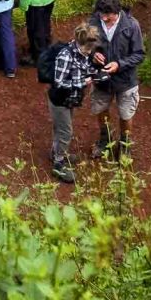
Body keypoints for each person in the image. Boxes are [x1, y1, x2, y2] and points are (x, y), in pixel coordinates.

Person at [86, 0, 145, 160]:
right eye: (101, 14)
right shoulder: (92, 23)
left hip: (126, 81)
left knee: (126, 114)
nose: (104, 18)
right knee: (101, 109)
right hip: (101, 78)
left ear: (117, 12)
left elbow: (139, 54)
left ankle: (125, 145)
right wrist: (93, 55)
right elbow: (85, 47)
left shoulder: (132, 26)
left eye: (108, 16)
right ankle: (106, 140)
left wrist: (119, 64)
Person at [44, 23, 100, 183]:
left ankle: (56, 152)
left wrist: (96, 72)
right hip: (59, 100)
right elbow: (59, 83)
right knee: (66, 131)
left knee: (60, 128)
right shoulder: (65, 55)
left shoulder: (82, 52)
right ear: (80, 43)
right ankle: (58, 164)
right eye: (87, 50)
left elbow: (84, 66)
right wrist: (82, 83)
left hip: (70, 99)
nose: (89, 52)